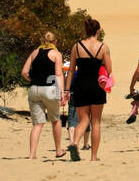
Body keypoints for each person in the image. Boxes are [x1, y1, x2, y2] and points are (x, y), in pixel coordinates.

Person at [67, 17, 111, 161]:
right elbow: (109, 70)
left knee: (83, 120)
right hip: (97, 86)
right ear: (98, 31)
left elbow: (71, 70)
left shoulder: (76, 46)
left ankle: (74, 142)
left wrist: (66, 90)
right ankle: (93, 156)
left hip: (80, 85)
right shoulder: (103, 47)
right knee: (96, 122)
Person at [22, 30, 66, 159]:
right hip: (50, 89)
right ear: (55, 41)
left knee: (37, 124)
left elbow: (24, 72)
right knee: (55, 120)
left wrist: (33, 80)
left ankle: (32, 154)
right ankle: (58, 150)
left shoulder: (34, 53)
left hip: (34, 89)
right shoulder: (56, 54)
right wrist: (61, 93)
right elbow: (58, 74)